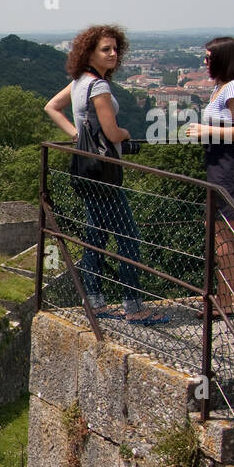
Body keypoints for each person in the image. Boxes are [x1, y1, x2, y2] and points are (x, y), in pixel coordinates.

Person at [44, 25, 166, 325]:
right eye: (105, 50)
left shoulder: (79, 82)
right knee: (128, 239)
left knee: (95, 238)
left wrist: (76, 136)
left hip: (86, 170)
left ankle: (95, 303)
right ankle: (134, 307)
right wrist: (126, 134)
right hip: (105, 173)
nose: (113, 54)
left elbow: (51, 107)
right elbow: (111, 132)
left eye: (115, 49)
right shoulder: (98, 87)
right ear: (90, 53)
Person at [183, 37, 234, 318]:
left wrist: (207, 132)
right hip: (223, 166)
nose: (204, 62)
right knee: (225, 234)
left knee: (226, 234)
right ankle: (229, 298)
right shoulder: (221, 88)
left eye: (208, 57)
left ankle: (227, 302)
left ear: (223, 59)